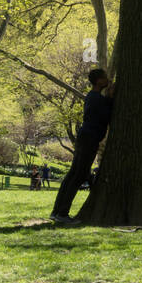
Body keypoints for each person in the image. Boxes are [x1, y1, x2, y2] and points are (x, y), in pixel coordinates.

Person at [50, 68, 114, 225]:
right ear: (99, 81)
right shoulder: (96, 98)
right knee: (78, 175)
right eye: (105, 78)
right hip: (89, 139)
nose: (108, 80)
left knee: (73, 174)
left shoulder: (93, 97)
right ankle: (62, 213)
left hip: (85, 137)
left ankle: (56, 211)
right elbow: (108, 116)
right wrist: (111, 99)